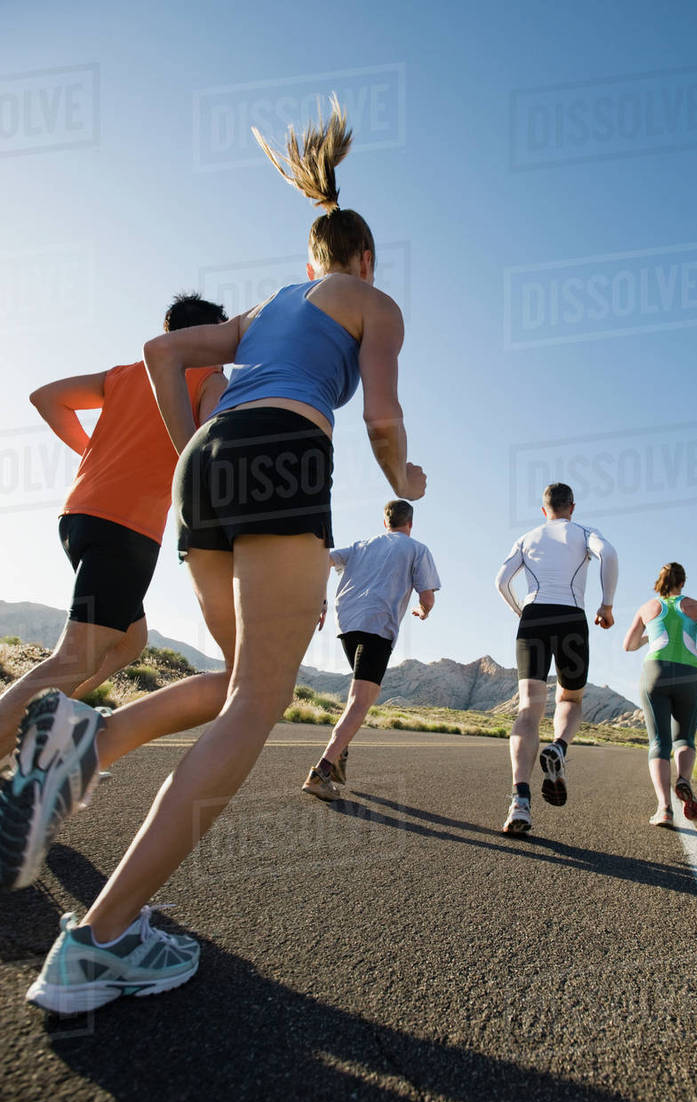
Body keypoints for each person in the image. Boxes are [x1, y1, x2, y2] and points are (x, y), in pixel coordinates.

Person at [4, 99, 426, 1015]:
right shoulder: (374, 302)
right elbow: (384, 419)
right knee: (259, 704)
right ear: (357, 259)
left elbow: (161, 351)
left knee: (239, 674)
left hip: (207, 466)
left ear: (311, 256)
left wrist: (190, 440)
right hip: (283, 452)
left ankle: (87, 740)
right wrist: (409, 475)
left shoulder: (270, 303)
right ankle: (102, 942)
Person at [0, 293, 228, 770]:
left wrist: (89, 454)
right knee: (75, 659)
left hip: (79, 516)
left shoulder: (129, 371)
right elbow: (205, 452)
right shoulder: (208, 377)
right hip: (128, 529)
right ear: (203, 337)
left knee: (130, 641)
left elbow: (47, 397)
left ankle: (41, 724)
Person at [495, 482, 618, 836]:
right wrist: (606, 604)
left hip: (534, 616)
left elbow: (501, 581)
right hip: (571, 618)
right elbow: (608, 555)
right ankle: (560, 747)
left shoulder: (527, 537)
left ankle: (520, 800)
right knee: (569, 698)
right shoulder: (583, 531)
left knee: (528, 710)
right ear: (572, 507)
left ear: (543, 509)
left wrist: (522, 611)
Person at [302, 499, 440, 800]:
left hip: (347, 625)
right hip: (378, 626)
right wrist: (423, 610)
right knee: (360, 701)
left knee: (361, 696)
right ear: (410, 523)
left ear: (385, 521)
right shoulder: (416, 549)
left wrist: (320, 599)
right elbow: (427, 597)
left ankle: (339, 755)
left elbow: (322, 558)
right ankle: (321, 772)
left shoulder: (362, 545)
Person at [623, 562, 697, 828]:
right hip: (690, 673)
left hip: (656, 672)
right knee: (685, 738)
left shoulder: (647, 608)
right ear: (683, 582)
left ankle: (664, 809)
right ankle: (684, 781)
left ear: (660, 581)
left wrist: (649, 637)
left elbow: (628, 645)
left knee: (659, 743)